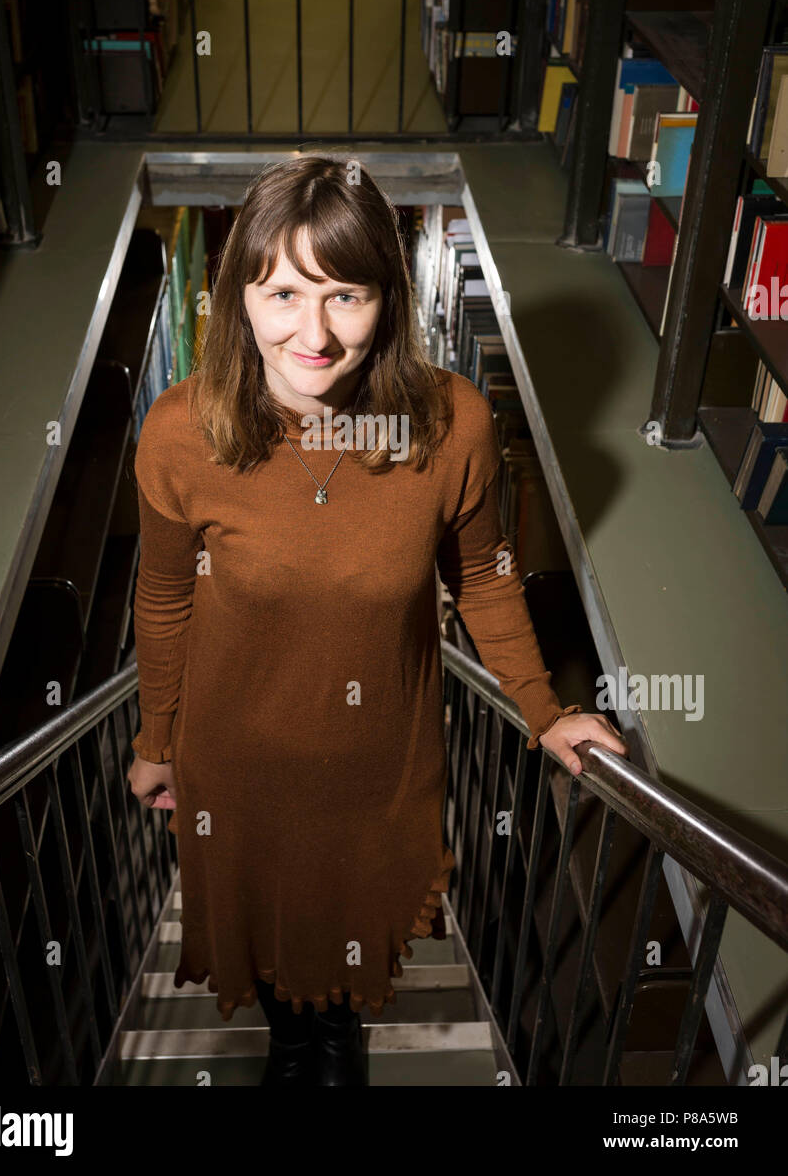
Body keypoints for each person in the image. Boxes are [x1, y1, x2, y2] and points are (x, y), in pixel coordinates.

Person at [127, 156, 627, 1087]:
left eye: (345, 295)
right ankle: (291, 1044)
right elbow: (163, 597)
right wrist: (158, 740)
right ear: (238, 297)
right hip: (234, 763)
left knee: (351, 963)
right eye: (281, 293)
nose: (310, 333)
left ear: (388, 300)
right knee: (273, 958)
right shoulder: (179, 431)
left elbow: (481, 573)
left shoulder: (453, 425)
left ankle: (338, 1049)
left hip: (379, 769)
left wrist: (545, 710)